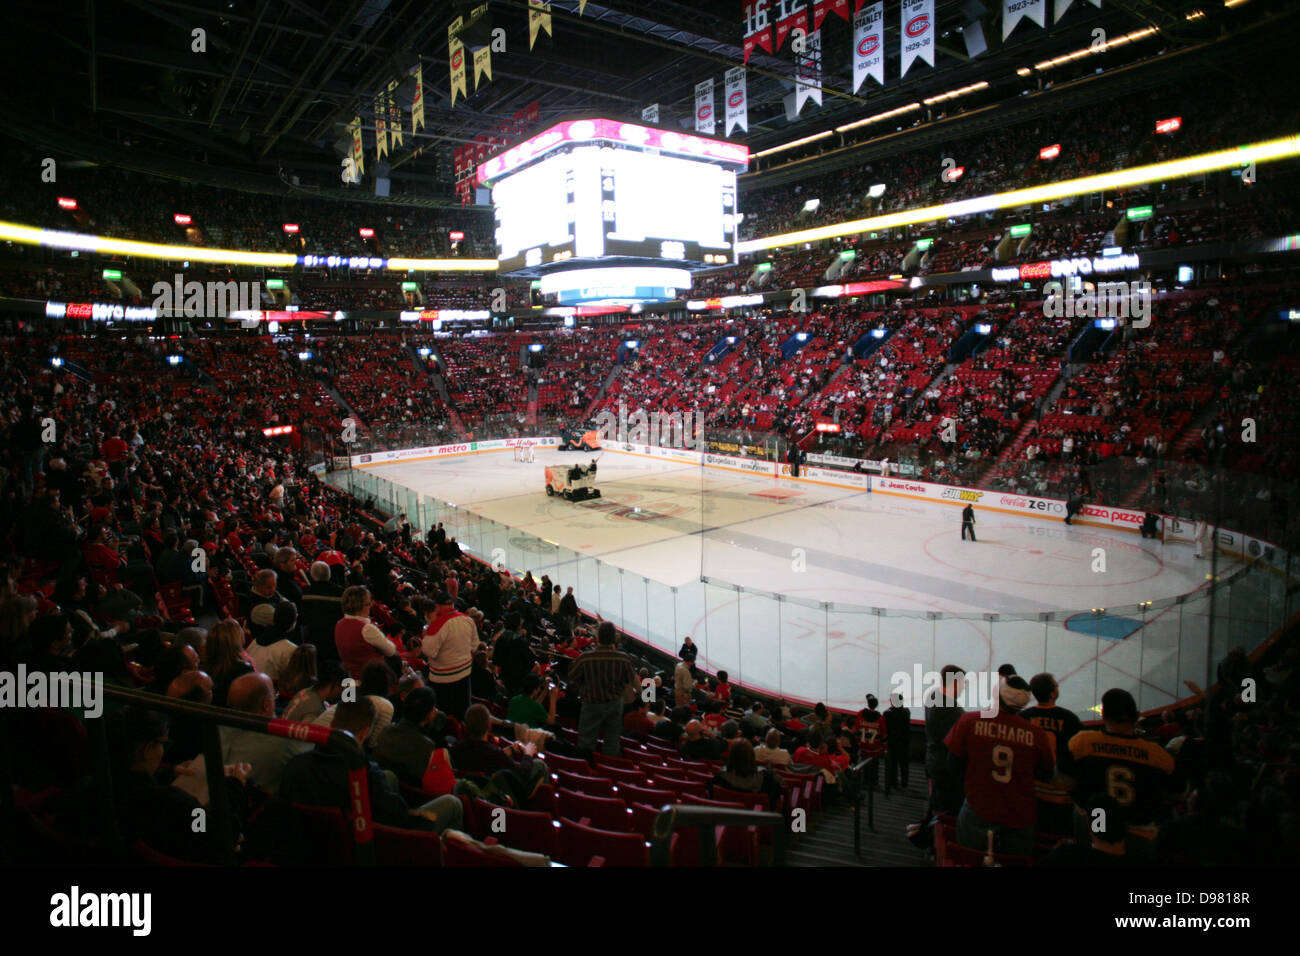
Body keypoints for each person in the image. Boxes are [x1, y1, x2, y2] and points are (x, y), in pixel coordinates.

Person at [281, 699, 463, 833]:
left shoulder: (295, 765)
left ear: (333, 722)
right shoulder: (364, 775)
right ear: (364, 733)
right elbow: (398, 817)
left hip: (319, 842)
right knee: (453, 803)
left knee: (389, 776)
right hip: (374, 841)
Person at [1058, 688, 1178, 860]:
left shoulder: (1082, 742)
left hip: (1097, 826)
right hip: (1138, 829)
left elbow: (1064, 783)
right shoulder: (1157, 754)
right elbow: (1177, 792)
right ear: (1136, 717)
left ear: (1104, 715)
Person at [945, 676, 1055, 857]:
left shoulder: (969, 721)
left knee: (968, 857)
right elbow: (1046, 773)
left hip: (978, 806)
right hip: (1019, 814)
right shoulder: (1037, 735)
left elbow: (953, 766)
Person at [220, 673, 310, 795]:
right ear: (266, 705)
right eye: (275, 695)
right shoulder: (286, 739)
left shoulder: (215, 729)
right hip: (253, 803)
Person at [1020, 672, 1083, 837]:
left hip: (1030, 791)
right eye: (1056, 685)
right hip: (1060, 796)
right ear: (1053, 693)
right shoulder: (1069, 719)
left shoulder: (1023, 717)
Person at [566, 621, 637, 756]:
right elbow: (629, 680)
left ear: (598, 637)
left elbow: (572, 676)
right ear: (614, 638)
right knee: (612, 741)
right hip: (614, 704)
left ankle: (585, 765)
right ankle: (608, 765)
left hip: (591, 704)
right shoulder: (624, 659)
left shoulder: (585, 658)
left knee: (586, 742)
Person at [372, 686, 458, 796]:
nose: (436, 711)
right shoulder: (426, 747)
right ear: (428, 714)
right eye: (433, 708)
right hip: (414, 798)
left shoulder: (386, 731)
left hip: (388, 790)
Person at [419, 592, 477, 722]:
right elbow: (474, 646)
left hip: (441, 678)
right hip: (464, 674)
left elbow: (428, 651)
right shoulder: (467, 619)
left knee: (444, 715)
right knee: (462, 711)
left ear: (437, 606)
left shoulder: (437, 625)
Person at [334, 585, 399, 682]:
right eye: (368, 604)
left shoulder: (339, 624)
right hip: (369, 680)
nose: (371, 606)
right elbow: (391, 650)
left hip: (349, 679)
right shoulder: (366, 629)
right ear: (359, 606)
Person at [882, 693, 912, 792]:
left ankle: (893, 782)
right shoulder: (906, 712)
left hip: (892, 743)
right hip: (904, 742)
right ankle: (904, 782)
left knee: (893, 764)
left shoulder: (887, 713)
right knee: (904, 764)